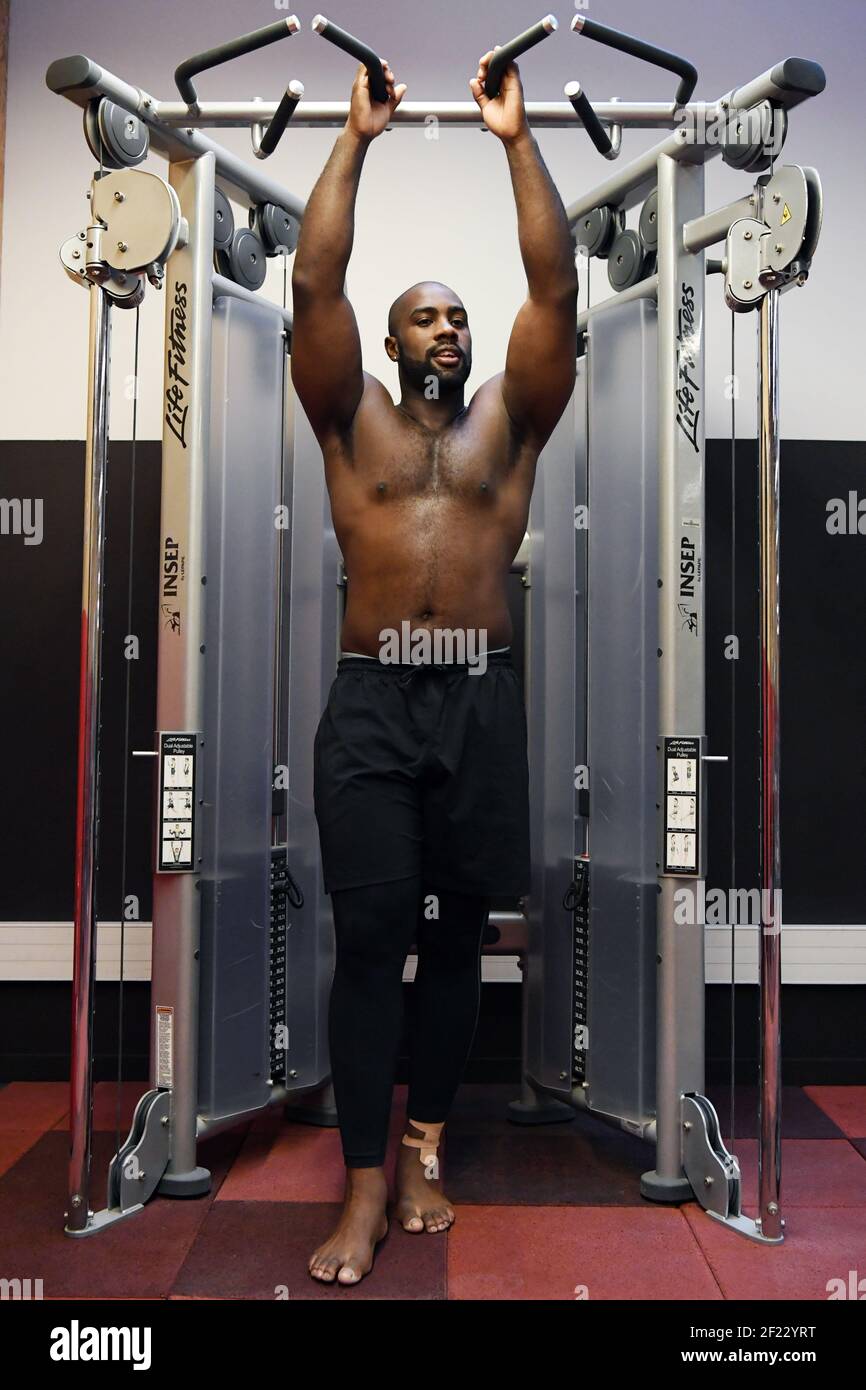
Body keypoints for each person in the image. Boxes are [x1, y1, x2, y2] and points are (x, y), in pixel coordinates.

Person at [290, 46, 578, 1285]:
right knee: (366, 937)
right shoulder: (344, 414)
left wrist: (516, 140)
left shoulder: (509, 426)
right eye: (427, 312)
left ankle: (422, 1149)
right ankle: (360, 1185)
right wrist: (352, 137)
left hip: (477, 700)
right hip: (370, 704)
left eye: (457, 313)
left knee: (458, 938)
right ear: (390, 337)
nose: (448, 327)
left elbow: (553, 288)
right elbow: (312, 279)